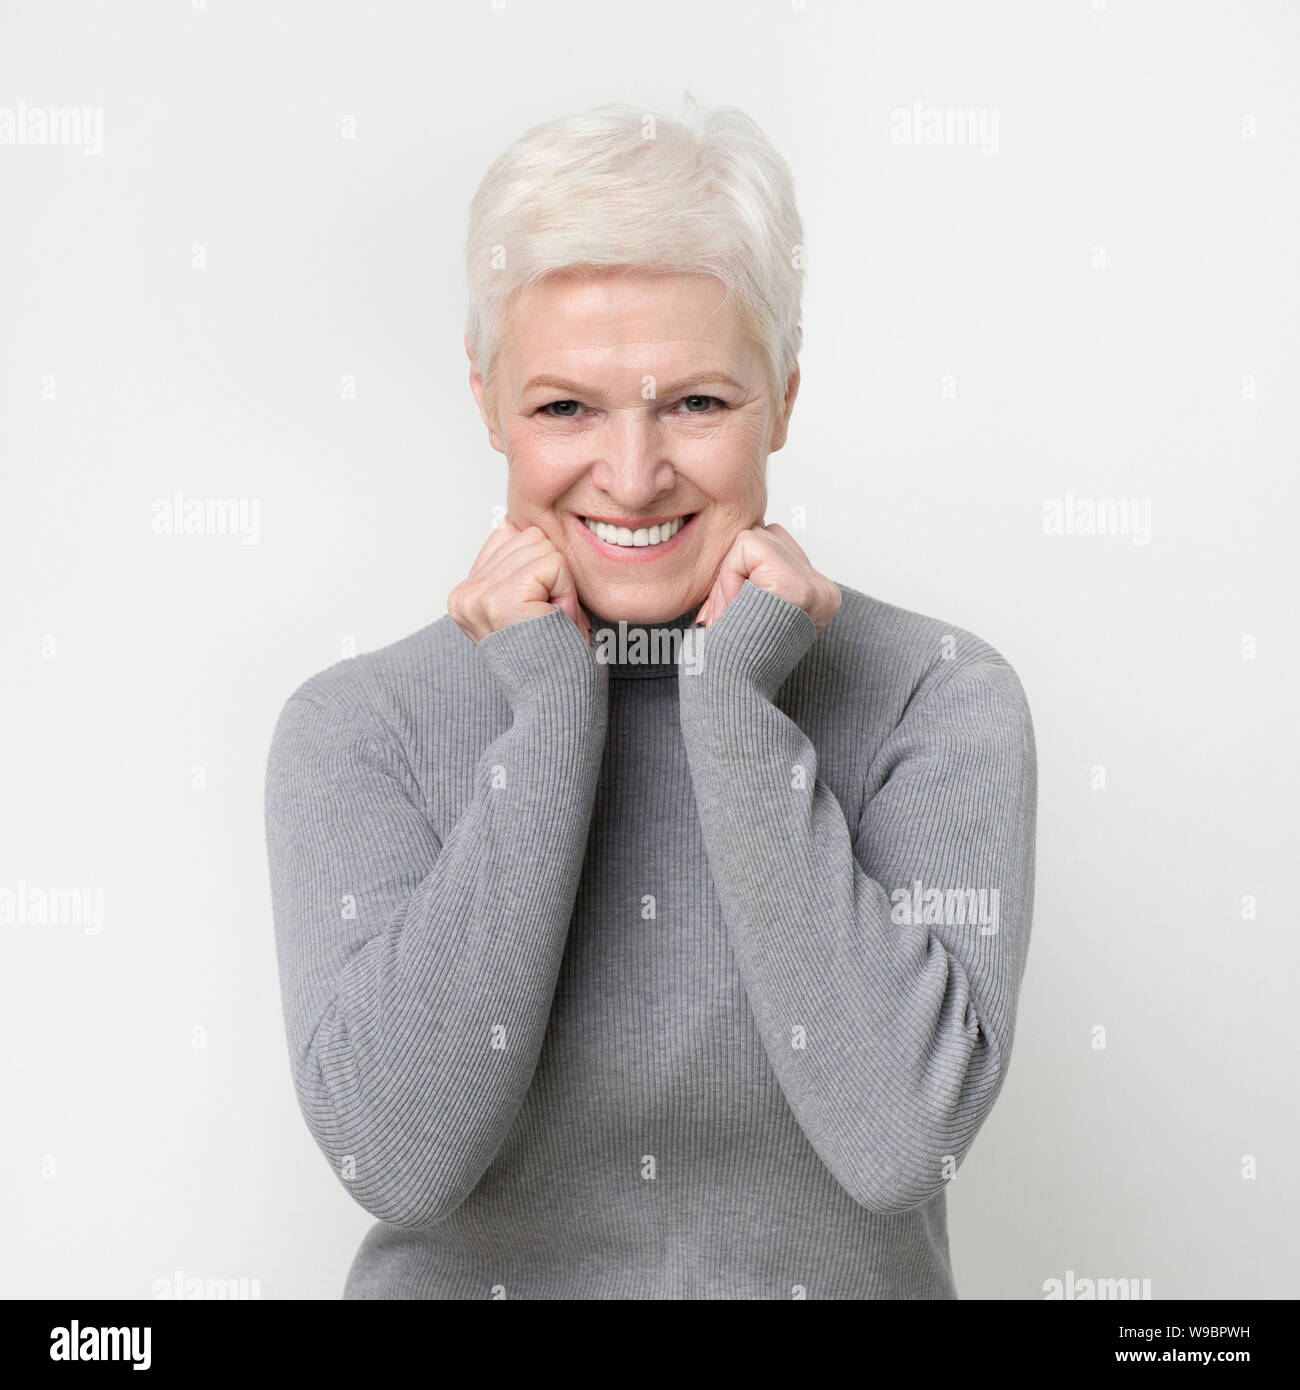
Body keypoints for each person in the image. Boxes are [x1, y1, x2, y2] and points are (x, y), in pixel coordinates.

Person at [264, 97, 1037, 1299]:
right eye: (565, 407)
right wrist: (554, 710)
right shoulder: (359, 726)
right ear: (486, 403)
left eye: (696, 403)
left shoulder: (936, 701)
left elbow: (897, 1143)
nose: (631, 476)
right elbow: (399, 1157)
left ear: (782, 394)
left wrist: (727, 704)